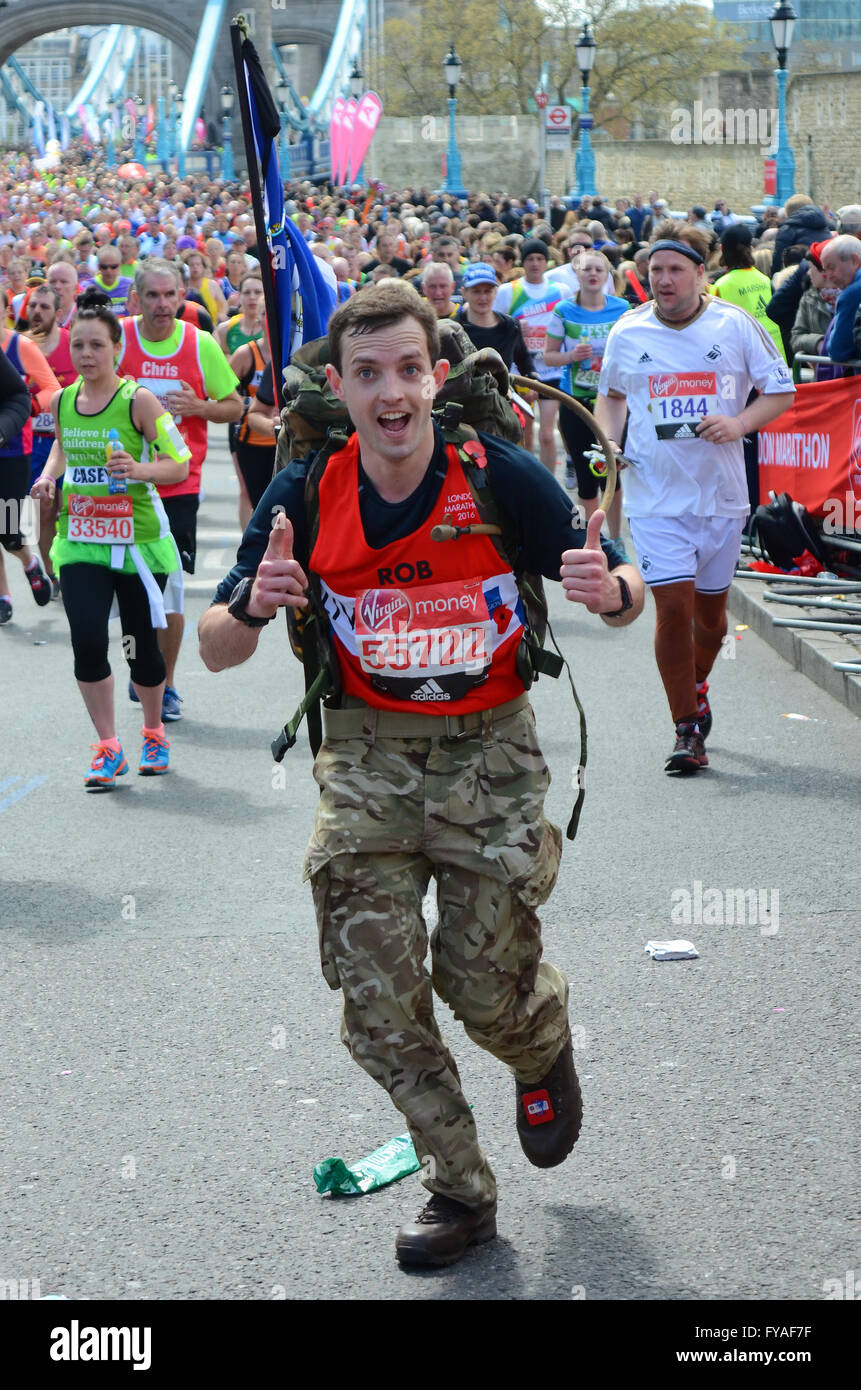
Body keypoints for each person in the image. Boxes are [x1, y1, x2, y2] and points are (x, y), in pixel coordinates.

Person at [199, 279, 644, 1268]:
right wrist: (255, 605)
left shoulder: (494, 472)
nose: (390, 392)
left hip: (490, 755)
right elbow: (215, 646)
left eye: (408, 370)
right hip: (364, 762)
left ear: (435, 379)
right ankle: (459, 1189)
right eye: (368, 375)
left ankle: (538, 1040)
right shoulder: (308, 489)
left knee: (482, 985)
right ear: (343, 388)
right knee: (378, 991)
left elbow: (624, 595)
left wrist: (608, 586)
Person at [594, 228, 796, 774]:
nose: (663, 280)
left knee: (711, 622)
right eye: (655, 270)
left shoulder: (734, 325)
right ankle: (686, 729)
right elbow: (610, 397)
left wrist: (738, 421)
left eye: (675, 270)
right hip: (655, 497)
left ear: (700, 275)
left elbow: (781, 390)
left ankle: (697, 683)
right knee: (673, 611)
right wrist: (609, 440)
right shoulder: (628, 330)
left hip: (722, 497)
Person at [30, 290, 191, 788]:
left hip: (138, 542)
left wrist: (138, 468)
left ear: (116, 349)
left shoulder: (137, 400)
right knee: (86, 637)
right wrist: (49, 477)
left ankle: (152, 731)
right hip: (81, 537)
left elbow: (178, 461)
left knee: (141, 648)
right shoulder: (63, 401)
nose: (85, 354)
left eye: (96, 345)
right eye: (78, 345)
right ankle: (107, 745)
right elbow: (61, 445)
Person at [117, 259, 242, 721]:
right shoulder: (121, 339)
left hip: (178, 484)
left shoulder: (199, 343)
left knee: (169, 588)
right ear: (137, 298)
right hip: (123, 484)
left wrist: (199, 406)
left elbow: (234, 407)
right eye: (153, 295)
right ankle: (141, 669)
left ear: (184, 295)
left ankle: (165, 683)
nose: (163, 304)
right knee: (131, 589)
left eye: (171, 295)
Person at [544, 250, 629, 528]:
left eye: (599, 270)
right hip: (575, 402)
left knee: (611, 473)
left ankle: (616, 538)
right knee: (585, 478)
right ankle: (594, 540)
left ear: (607, 276)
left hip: (613, 401)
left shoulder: (622, 309)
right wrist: (571, 357)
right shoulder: (563, 310)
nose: (593, 274)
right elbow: (548, 356)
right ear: (577, 275)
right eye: (587, 270)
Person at [493, 239, 573, 474]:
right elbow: (496, 326)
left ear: (546, 261)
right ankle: (529, 478)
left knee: (547, 433)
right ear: (523, 262)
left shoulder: (561, 291)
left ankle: (548, 481)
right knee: (525, 430)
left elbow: (569, 326)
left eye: (540, 258)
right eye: (530, 259)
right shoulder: (509, 291)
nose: (535, 264)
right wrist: (515, 326)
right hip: (521, 370)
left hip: (551, 368)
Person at [26, 284, 78, 587]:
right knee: (43, 513)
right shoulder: (20, 347)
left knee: (67, 508)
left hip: (69, 440)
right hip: (33, 444)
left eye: (44, 307)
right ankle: (51, 571)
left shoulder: (74, 345)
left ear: (58, 313)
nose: (36, 312)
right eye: (33, 306)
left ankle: (66, 564)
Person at [0, 342, 37, 623]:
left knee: (8, 534)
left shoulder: (22, 345)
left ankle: (30, 562)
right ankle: (3, 596)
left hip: (11, 455)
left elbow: (19, 396)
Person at [710, 224, 786, 360]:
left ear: (722, 249)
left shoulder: (721, 285)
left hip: (745, 364)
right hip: (776, 361)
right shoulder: (764, 279)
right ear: (751, 248)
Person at [820, 235, 861, 363]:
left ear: (854, 260)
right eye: (825, 269)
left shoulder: (851, 294)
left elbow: (838, 351)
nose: (829, 276)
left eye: (832, 267)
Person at [91, 245, 134, 316]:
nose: (109, 271)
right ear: (98, 267)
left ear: (120, 266)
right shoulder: (87, 287)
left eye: (113, 267)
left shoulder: (130, 285)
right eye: (104, 267)